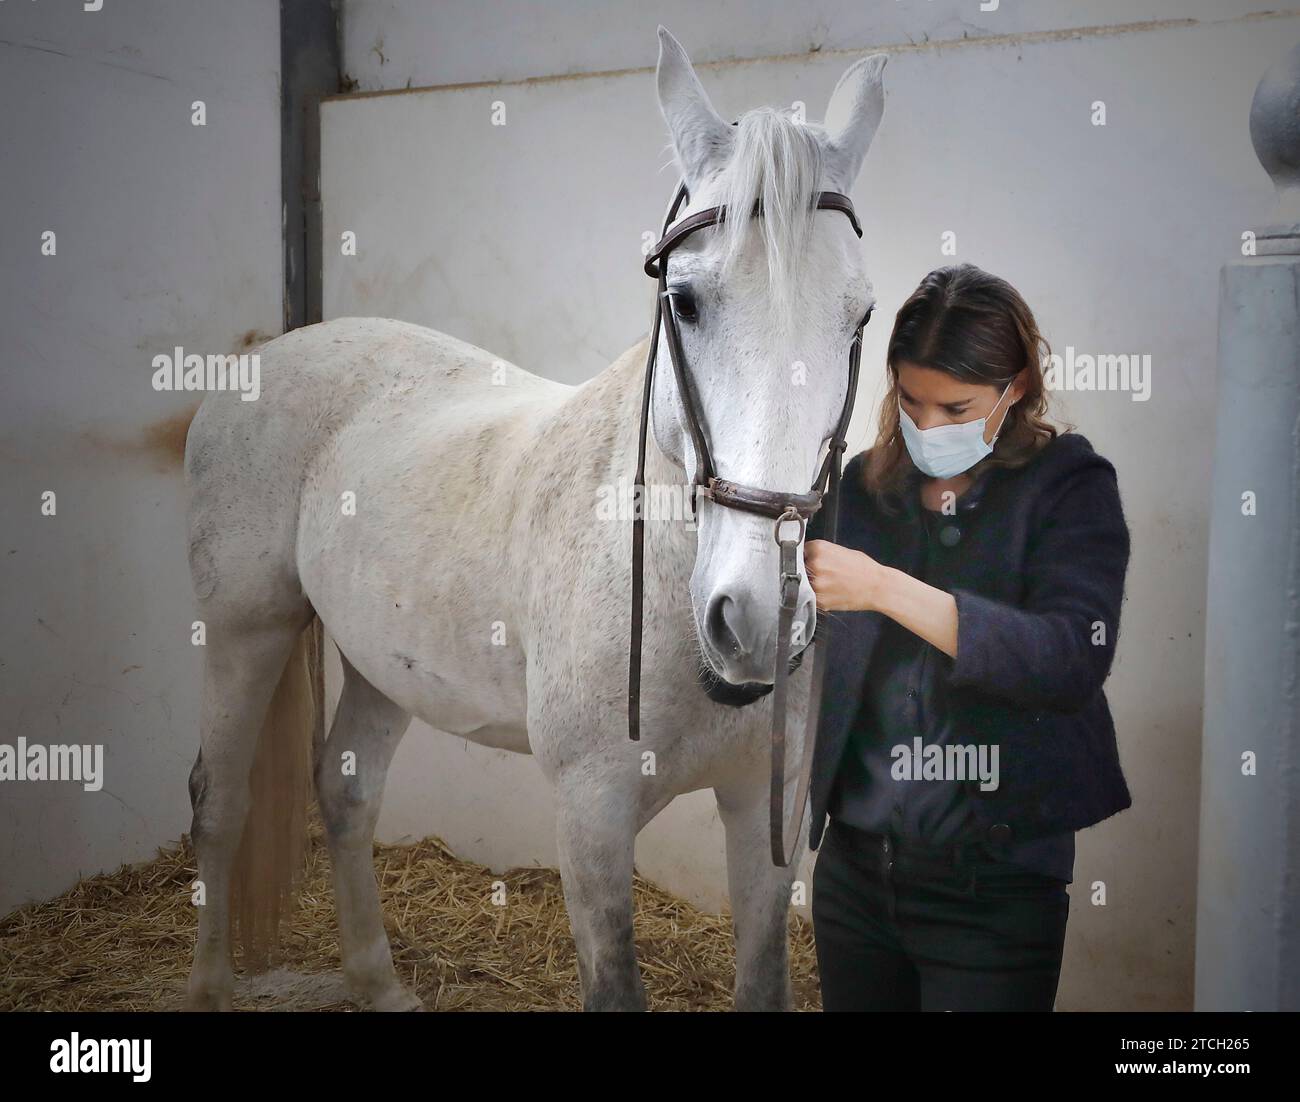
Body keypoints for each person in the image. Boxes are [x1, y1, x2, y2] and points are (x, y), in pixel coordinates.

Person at [803, 262, 1132, 1011]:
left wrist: (885, 588)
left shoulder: (1069, 486)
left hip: (993, 889)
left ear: (1015, 388)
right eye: (911, 401)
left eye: (957, 408)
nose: (929, 427)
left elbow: (1069, 658)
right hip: (856, 873)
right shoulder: (863, 487)